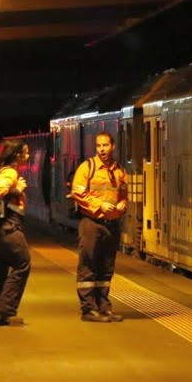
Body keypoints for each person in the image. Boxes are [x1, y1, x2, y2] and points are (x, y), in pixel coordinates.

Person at [71, 132, 129, 323]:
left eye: (105, 145)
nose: (102, 149)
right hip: (92, 224)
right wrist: (99, 205)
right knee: (88, 266)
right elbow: (78, 192)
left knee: (106, 269)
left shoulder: (119, 170)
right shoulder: (88, 167)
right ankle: (88, 309)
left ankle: (104, 307)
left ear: (113, 146)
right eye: (98, 146)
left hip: (111, 225)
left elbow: (123, 193)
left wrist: (122, 204)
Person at [0, 140, 32, 326]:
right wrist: (17, 189)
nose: (28, 156)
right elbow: (1, 191)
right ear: (17, 155)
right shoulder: (10, 172)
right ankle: (4, 311)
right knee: (23, 264)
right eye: (25, 153)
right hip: (8, 225)